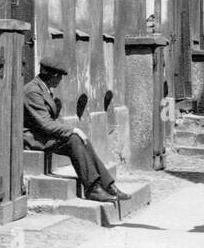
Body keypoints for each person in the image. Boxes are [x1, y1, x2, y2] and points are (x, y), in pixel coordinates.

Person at [23, 57, 127, 204]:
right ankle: (92, 189)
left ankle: (108, 186)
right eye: (58, 76)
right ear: (50, 75)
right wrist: (73, 130)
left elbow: (49, 121)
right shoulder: (32, 91)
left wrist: (73, 131)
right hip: (33, 137)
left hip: (43, 134)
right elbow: (45, 124)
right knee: (74, 139)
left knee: (81, 140)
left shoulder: (42, 88)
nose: (60, 79)